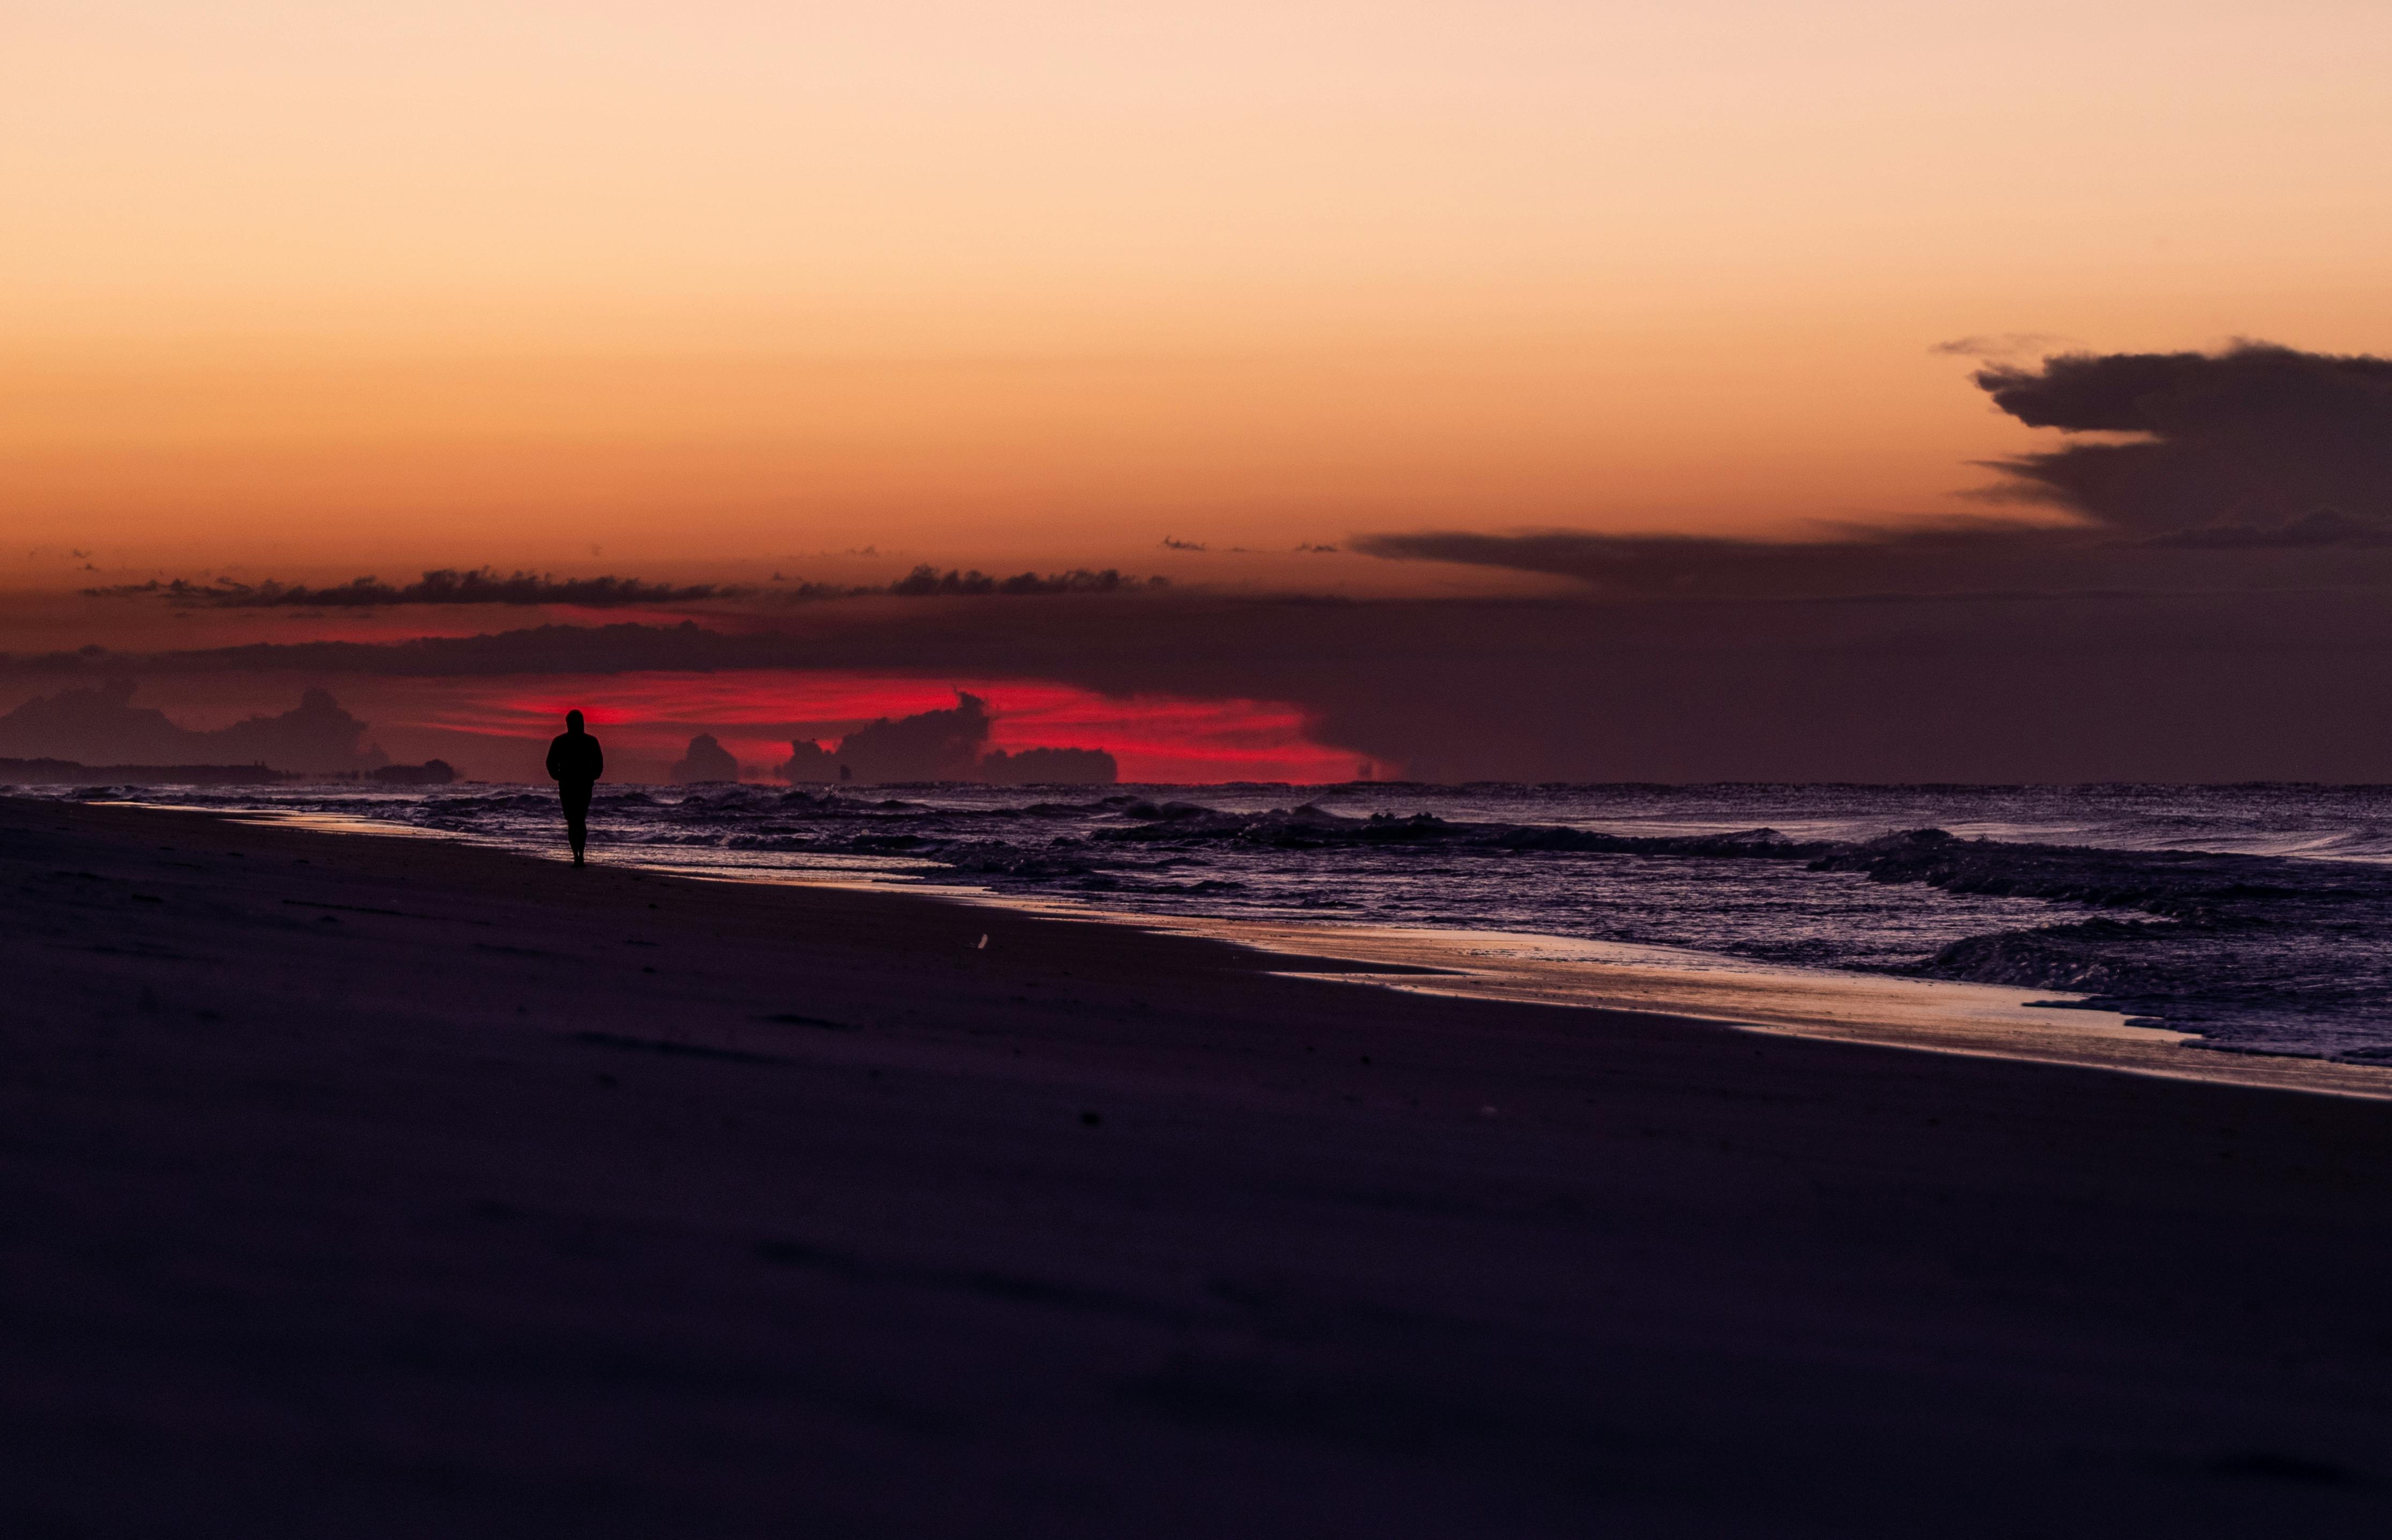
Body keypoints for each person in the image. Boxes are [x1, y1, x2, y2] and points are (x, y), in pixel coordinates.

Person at [545, 709, 604, 866]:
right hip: (570, 786)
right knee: (575, 821)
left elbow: (599, 766)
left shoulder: (590, 742)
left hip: (579, 786)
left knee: (577, 820)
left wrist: (591, 776)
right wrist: (558, 776)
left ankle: (579, 856)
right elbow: (550, 763)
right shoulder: (561, 741)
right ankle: (578, 856)